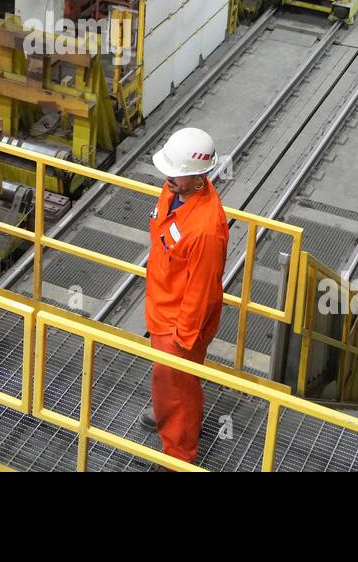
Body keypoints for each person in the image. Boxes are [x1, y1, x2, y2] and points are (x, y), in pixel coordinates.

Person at [140, 127, 227, 466]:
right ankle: (166, 414)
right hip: (162, 306)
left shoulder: (206, 229)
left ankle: (179, 454)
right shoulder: (174, 190)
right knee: (168, 381)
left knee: (180, 386)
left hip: (180, 324)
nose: (167, 178)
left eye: (175, 175)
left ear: (198, 177)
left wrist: (182, 339)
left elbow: (202, 291)